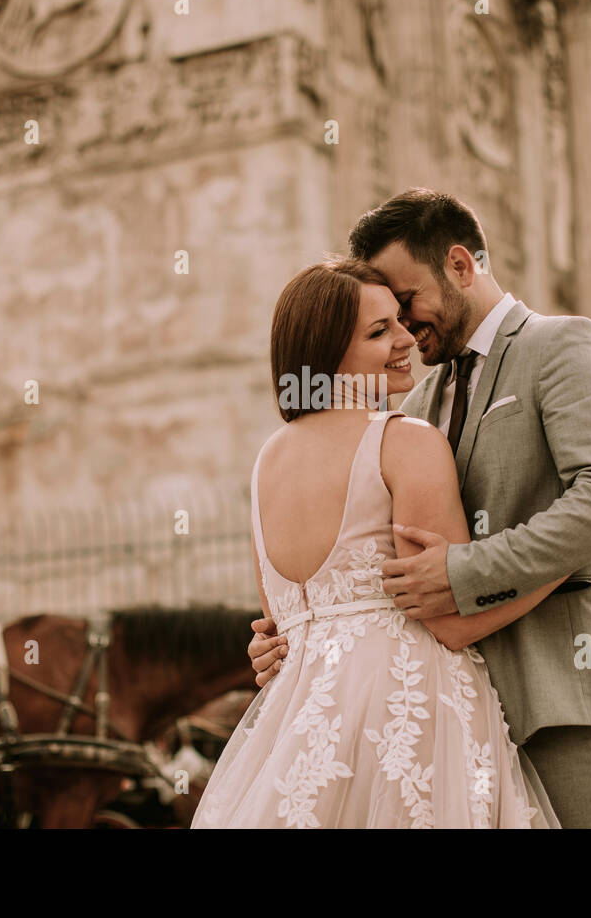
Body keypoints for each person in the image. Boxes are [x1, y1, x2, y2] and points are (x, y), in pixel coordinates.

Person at [249, 190, 591, 827]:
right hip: (449, 718)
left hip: (566, 702)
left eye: (407, 301)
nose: (403, 326)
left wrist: (465, 573)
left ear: (459, 265)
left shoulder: (563, 347)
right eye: (383, 315)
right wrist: (299, 636)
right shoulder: (410, 410)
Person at [192, 258, 563, 828]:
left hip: (299, 728)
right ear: (327, 353)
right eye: (378, 332)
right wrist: (565, 560)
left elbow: (281, 629)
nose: (404, 339)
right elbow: (451, 621)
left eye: (398, 321)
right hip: (407, 715)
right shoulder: (406, 443)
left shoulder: (267, 460)